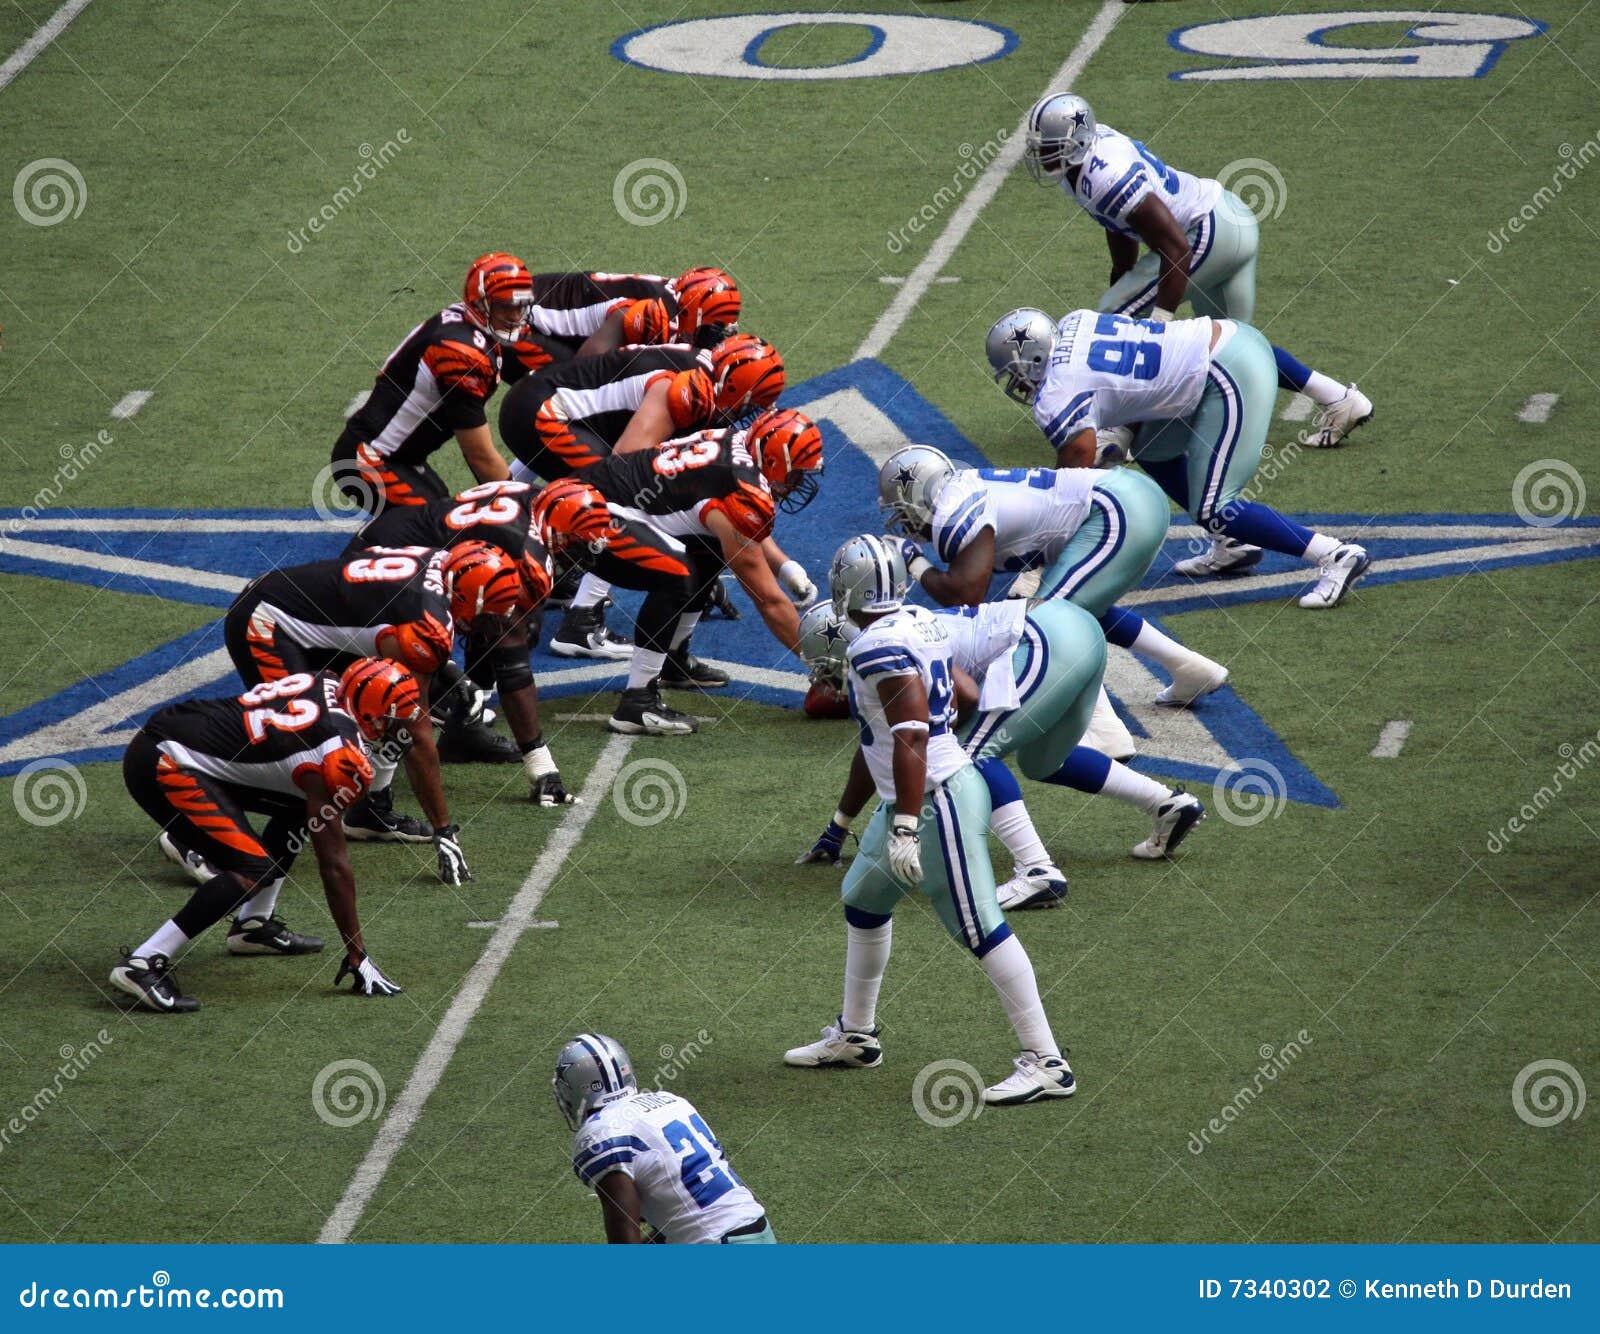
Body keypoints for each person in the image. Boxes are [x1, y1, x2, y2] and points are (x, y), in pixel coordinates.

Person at [783, 536, 1076, 1106]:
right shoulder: (920, 621)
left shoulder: (873, 647)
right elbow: (963, 694)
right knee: (863, 900)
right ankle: (857, 1035)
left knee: (979, 926)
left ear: (846, 588)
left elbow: (911, 734)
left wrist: (905, 824)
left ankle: (1047, 1062)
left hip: (936, 798)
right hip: (921, 789)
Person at [1020, 91, 1373, 479]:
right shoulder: (1086, 163)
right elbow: (1120, 220)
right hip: (1230, 215)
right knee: (1229, 348)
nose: (1041, 154)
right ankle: (1339, 398)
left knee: (1108, 321)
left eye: (1050, 146)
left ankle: (1117, 433)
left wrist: (1159, 322)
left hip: (1206, 233)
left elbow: (1176, 247)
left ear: (1077, 143)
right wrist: (1123, 270)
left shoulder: (1104, 175)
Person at [988, 307, 1372, 609]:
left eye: (1015, 374)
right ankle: (1233, 544)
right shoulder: (1076, 320)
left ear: (1034, 359)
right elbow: (1136, 382)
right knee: (1154, 451)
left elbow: (1071, 480)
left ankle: (1334, 553)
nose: (1018, 384)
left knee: (1216, 505)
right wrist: (1120, 434)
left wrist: (1037, 556)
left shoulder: (1057, 395)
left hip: (1225, 373)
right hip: (1229, 338)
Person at [111, 659, 419, 1012]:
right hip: (167, 762)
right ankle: (143, 962)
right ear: (370, 715)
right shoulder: (338, 756)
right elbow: (334, 865)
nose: (402, 727)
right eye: (395, 718)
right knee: (252, 868)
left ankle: (252, 924)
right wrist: (357, 952)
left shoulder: (330, 681)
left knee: (300, 807)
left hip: (182, 738)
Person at [221, 541, 522, 879]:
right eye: (486, 614)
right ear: (465, 597)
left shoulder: (438, 561)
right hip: (266, 620)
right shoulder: (428, 622)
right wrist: (444, 830)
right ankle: (198, 816)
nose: (486, 625)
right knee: (302, 742)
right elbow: (416, 734)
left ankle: (370, 811)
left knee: (381, 701)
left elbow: (375, 603)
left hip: (302, 613)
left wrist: (444, 666)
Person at [498, 334, 785, 659]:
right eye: (751, 402)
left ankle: (537, 565)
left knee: (613, 499)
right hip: (545, 413)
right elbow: (625, 468)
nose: (748, 413)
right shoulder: (687, 390)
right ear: (733, 387)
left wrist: (783, 566)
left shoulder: (703, 372)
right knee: (612, 502)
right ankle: (581, 620)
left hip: (539, 403)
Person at [571, 409, 823, 735]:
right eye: (797, 474)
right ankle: (637, 701)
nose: (799, 483)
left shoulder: (737, 444)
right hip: (587, 520)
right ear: (774, 463)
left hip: (594, 499)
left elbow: (736, 528)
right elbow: (769, 601)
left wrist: (786, 567)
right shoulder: (738, 489)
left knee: (709, 549)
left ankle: (673, 660)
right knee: (677, 573)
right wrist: (821, 664)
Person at [331, 253, 528, 515]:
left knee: (443, 516)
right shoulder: (461, 354)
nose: (514, 316)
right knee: (439, 527)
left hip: (400, 458)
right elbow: (479, 454)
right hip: (371, 458)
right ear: (480, 304)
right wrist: (519, 506)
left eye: (520, 306)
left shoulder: (466, 325)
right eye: (505, 306)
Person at [554, 1033, 773, 1244]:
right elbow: (680, 1212)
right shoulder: (671, 1102)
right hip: (758, 1230)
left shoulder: (599, 1133)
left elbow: (625, 1237)